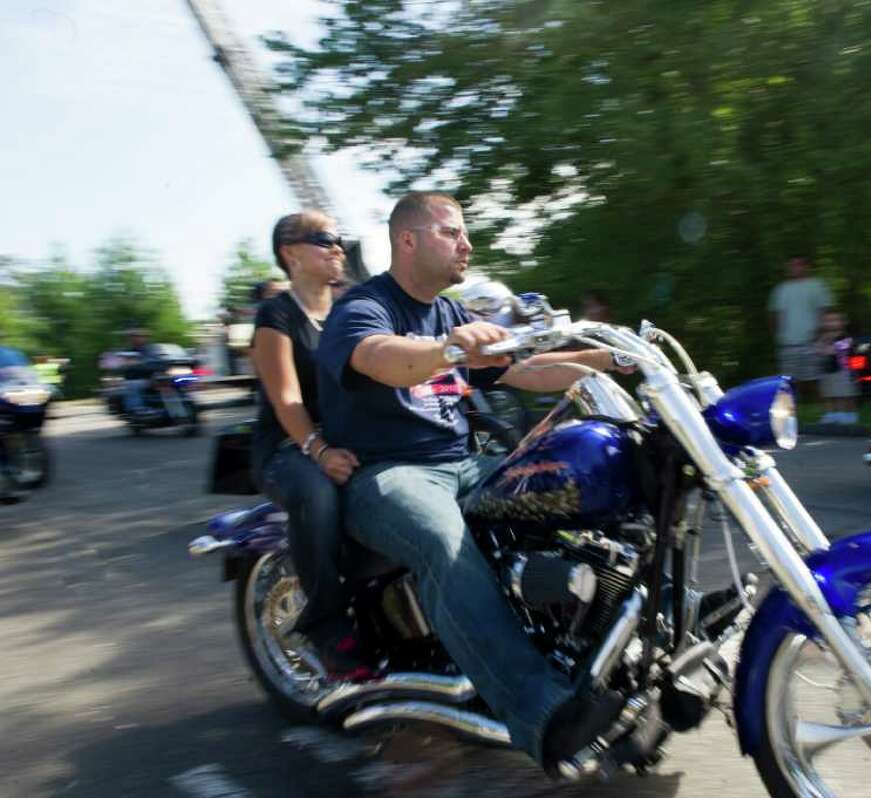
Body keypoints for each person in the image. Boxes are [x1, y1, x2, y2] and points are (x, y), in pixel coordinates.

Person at [316, 191, 640, 772]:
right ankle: (541, 711)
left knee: (579, 483)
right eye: (452, 232)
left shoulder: (450, 311)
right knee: (443, 542)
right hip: (388, 475)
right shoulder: (363, 307)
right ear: (408, 240)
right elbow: (383, 358)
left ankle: (636, 630)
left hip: (465, 463)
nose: (467, 244)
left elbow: (527, 369)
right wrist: (446, 349)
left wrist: (612, 358)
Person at [250, 210, 370, 681]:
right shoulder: (275, 314)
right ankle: (327, 626)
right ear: (290, 253)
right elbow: (285, 398)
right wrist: (318, 450)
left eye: (340, 239)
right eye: (323, 239)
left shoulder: (351, 306)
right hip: (288, 447)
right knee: (316, 491)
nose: (337, 247)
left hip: (348, 438)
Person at [768, 256, 832, 404]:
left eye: (799, 265)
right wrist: (778, 334)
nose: (795, 268)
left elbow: (826, 311)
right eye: (792, 265)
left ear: (806, 267)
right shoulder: (782, 289)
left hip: (813, 341)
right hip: (788, 343)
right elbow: (774, 314)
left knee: (817, 378)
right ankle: (793, 410)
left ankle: (822, 409)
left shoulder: (817, 285)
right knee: (789, 380)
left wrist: (821, 333)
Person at [814, 309, 858, 424]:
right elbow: (818, 349)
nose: (831, 323)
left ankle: (848, 415)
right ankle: (831, 414)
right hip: (827, 370)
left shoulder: (846, 337)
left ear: (843, 322)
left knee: (844, 394)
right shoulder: (821, 337)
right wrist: (823, 344)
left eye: (835, 320)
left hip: (844, 370)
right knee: (828, 393)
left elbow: (834, 350)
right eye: (827, 320)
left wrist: (826, 347)